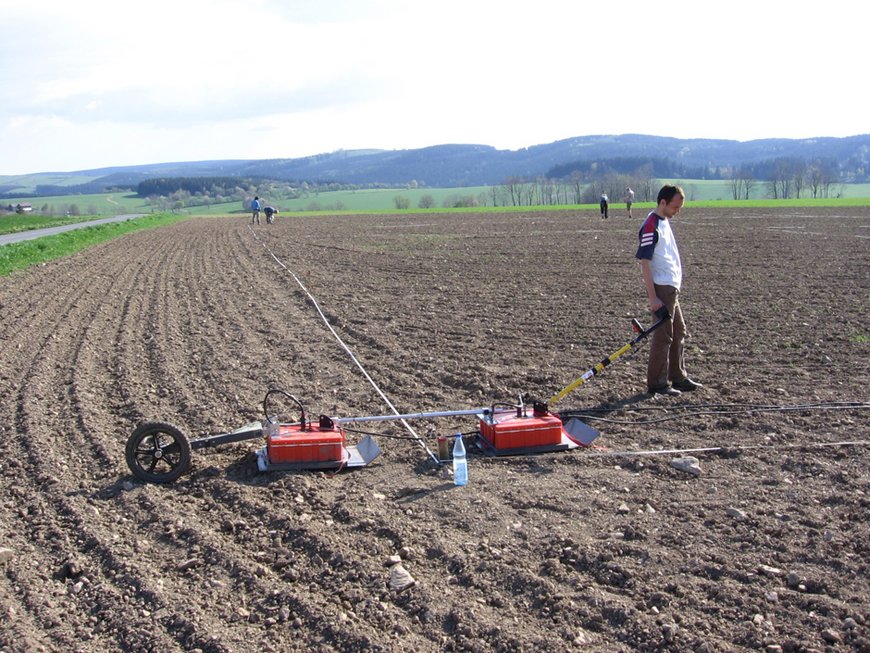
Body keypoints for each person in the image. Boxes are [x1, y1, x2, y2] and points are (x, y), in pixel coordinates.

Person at [635, 184, 703, 396]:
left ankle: (678, 376)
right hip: (662, 289)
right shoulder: (651, 225)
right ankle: (657, 383)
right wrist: (653, 297)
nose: (677, 211)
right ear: (663, 202)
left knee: (679, 330)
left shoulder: (663, 221)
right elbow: (644, 262)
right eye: (675, 207)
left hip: (671, 288)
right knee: (663, 335)